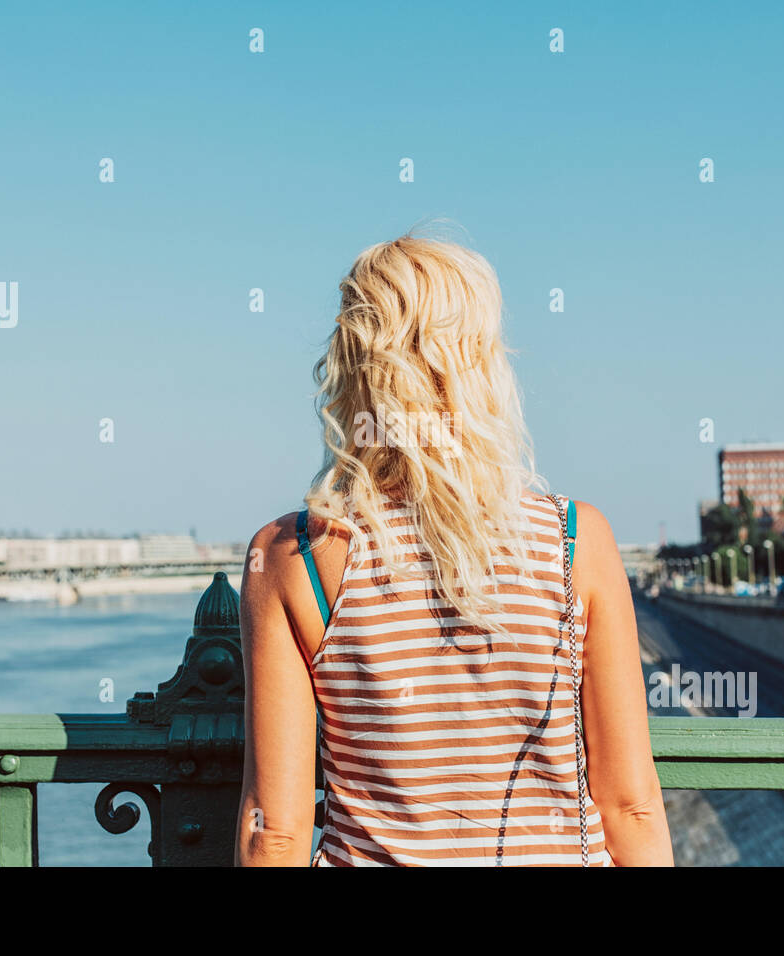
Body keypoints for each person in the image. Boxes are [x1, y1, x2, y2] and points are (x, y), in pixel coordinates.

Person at [235, 235, 672, 866]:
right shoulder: (577, 540)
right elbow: (629, 805)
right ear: (482, 365)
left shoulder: (292, 555)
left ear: (350, 369)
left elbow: (273, 830)